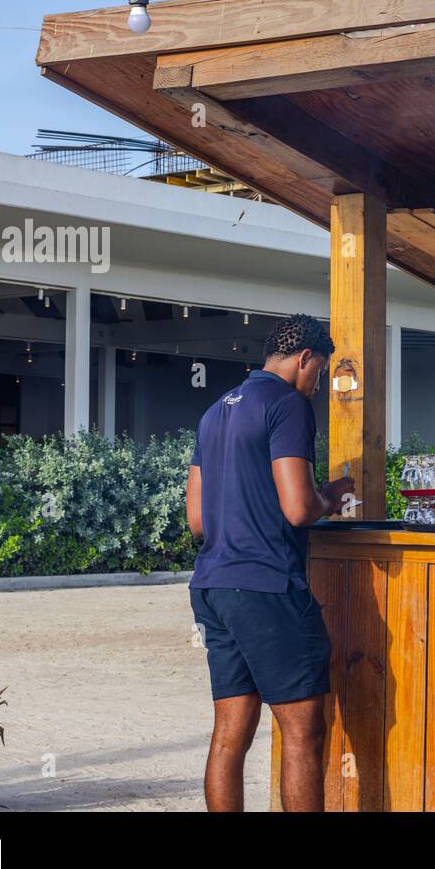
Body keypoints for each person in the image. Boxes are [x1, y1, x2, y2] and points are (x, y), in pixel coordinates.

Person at [184, 314, 353, 812]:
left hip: (213, 584)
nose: (316, 386)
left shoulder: (215, 411)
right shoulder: (287, 405)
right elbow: (298, 508)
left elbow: (196, 519)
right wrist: (329, 498)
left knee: (229, 735)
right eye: (318, 374)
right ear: (304, 359)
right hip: (268, 586)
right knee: (303, 731)